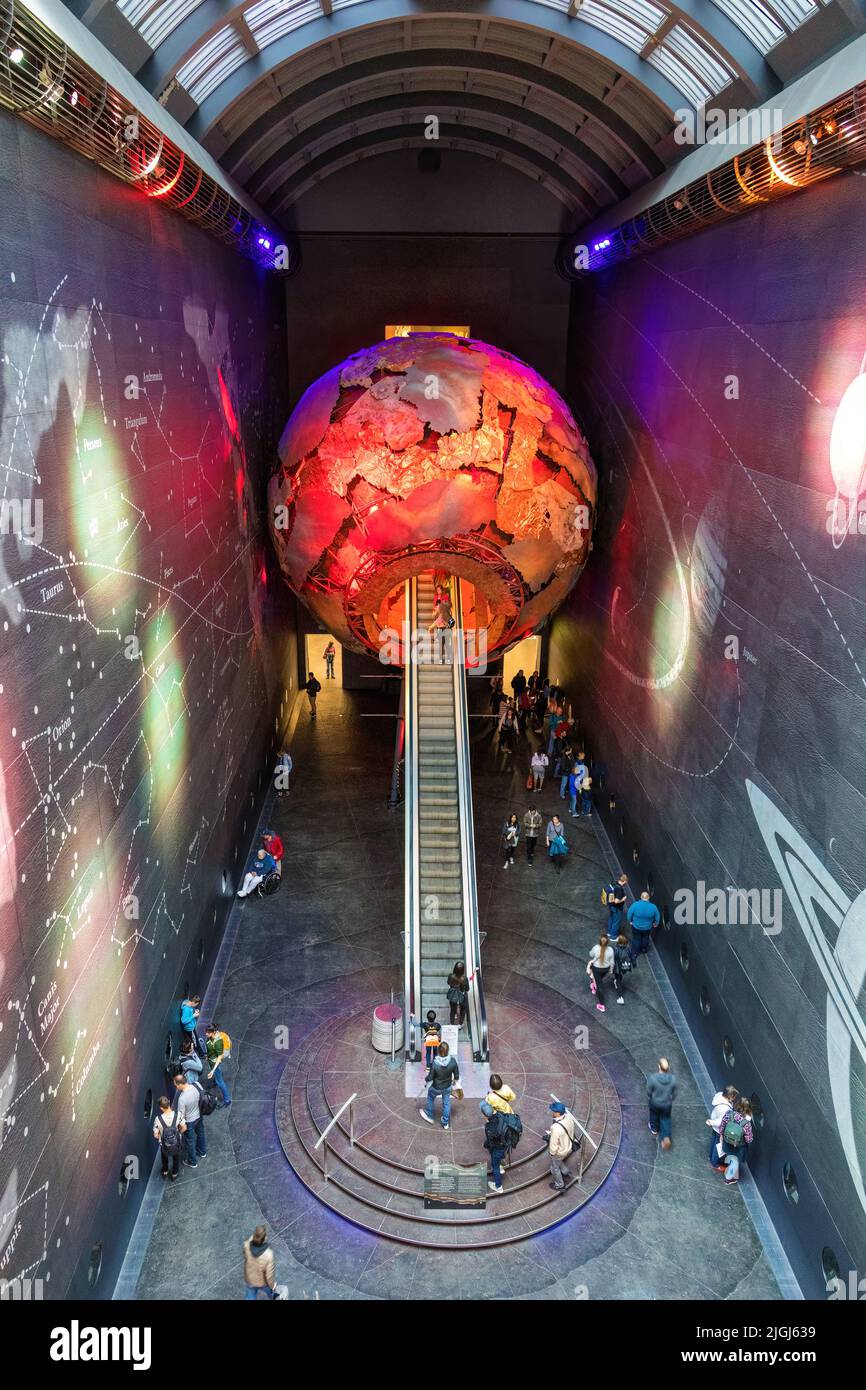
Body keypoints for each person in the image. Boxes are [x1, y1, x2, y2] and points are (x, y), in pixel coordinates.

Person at [419, 1041, 460, 1130]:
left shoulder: (435, 1063)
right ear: (448, 1051)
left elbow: (430, 1077)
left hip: (436, 1087)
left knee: (430, 1098)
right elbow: (456, 1075)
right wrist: (455, 1081)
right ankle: (445, 1123)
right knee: (446, 1103)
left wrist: (426, 1079)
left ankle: (429, 1115)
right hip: (448, 1086)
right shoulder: (452, 1061)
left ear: (438, 1051)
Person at [174, 1071, 207, 1168]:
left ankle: (192, 1162)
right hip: (199, 1116)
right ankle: (202, 1152)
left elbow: (181, 1116)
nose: (176, 1087)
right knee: (201, 1134)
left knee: (190, 1141)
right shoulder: (197, 1085)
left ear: (180, 1084)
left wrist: (180, 1128)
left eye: (176, 1085)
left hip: (189, 1121)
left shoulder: (182, 1098)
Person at [719, 1097, 754, 1184]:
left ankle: (727, 1163)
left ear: (736, 1105)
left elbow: (722, 1126)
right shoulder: (747, 1124)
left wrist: (721, 1135)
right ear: (749, 1110)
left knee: (729, 1154)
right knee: (735, 1161)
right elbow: (749, 1139)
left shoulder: (729, 1114)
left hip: (727, 1141)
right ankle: (728, 1179)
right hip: (739, 1146)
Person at [545, 1100, 577, 1193]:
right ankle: (566, 1172)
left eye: (554, 1111)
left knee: (554, 1167)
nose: (552, 1113)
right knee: (558, 1161)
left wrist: (552, 1153)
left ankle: (560, 1185)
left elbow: (553, 1145)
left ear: (558, 1113)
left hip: (560, 1151)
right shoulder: (569, 1118)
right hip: (568, 1146)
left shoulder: (555, 1127)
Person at [646, 1057, 677, 1150]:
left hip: (655, 1103)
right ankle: (666, 1137)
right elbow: (674, 1093)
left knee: (654, 1115)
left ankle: (654, 1129)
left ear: (659, 1066)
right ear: (668, 1068)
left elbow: (648, 1091)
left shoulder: (653, 1078)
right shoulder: (673, 1079)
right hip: (667, 1104)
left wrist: (650, 1099)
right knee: (666, 1119)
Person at [707, 1085, 740, 1169]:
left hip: (714, 1124)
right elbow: (721, 1122)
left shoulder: (719, 1096)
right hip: (719, 1128)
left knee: (713, 1140)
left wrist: (712, 1122)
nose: (734, 1099)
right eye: (734, 1097)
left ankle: (710, 1157)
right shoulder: (725, 1109)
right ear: (730, 1097)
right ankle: (714, 1163)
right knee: (718, 1146)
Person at [243, 1225, 277, 1300]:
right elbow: (269, 1276)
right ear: (264, 1238)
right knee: (271, 1292)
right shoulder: (269, 1255)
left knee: (250, 1297)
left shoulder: (246, 1245)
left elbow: (245, 1256)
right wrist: (272, 1286)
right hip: (262, 1283)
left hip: (250, 1280)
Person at [153, 1095, 182, 1181]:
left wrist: (161, 1138)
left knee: (164, 1157)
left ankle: (165, 1171)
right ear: (169, 1102)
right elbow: (184, 1127)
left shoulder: (158, 1119)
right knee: (176, 1157)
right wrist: (178, 1133)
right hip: (176, 1142)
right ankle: (174, 1174)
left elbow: (155, 1135)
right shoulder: (178, 1115)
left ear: (161, 1108)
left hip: (164, 1144)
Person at [628, 891, 661, 964]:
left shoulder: (635, 905)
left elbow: (629, 914)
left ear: (641, 897)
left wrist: (630, 921)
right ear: (648, 898)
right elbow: (657, 917)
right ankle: (644, 949)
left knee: (636, 939)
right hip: (647, 927)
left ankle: (635, 953)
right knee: (645, 938)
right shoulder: (653, 907)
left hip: (636, 926)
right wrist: (656, 923)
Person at [587, 933, 615, 1013]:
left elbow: (590, 954)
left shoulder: (596, 948)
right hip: (605, 969)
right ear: (608, 942)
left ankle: (601, 1005)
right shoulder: (610, 950)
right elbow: (612, 962)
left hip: (597, 969)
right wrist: (611, 970)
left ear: (600, 941)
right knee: (599, 978)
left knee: (600, 986)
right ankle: (593, 984)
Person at [205, 1024, 231, 1107]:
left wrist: (212, 1071)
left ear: (213, 1032)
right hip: (212, 1060)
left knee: (220, 1082)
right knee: (217, 1076)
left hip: (215, 1062)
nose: (206, 1034)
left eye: (208, 1033)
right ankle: (215, 1080)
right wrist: (208, 1056)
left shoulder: (218, 1042)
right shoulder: (211, 1038)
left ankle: (227, 1099)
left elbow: (219, 1057)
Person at [612, 933, 632, 1005]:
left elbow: (613, 958)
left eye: (618, 938)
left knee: (618, 981)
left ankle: (620, 997)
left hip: (617, 967)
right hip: (624, 966)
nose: (616, 938)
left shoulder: (616, 948)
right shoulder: (628, 948)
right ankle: (618, 980)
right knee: (619, 977)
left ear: (619, 941)